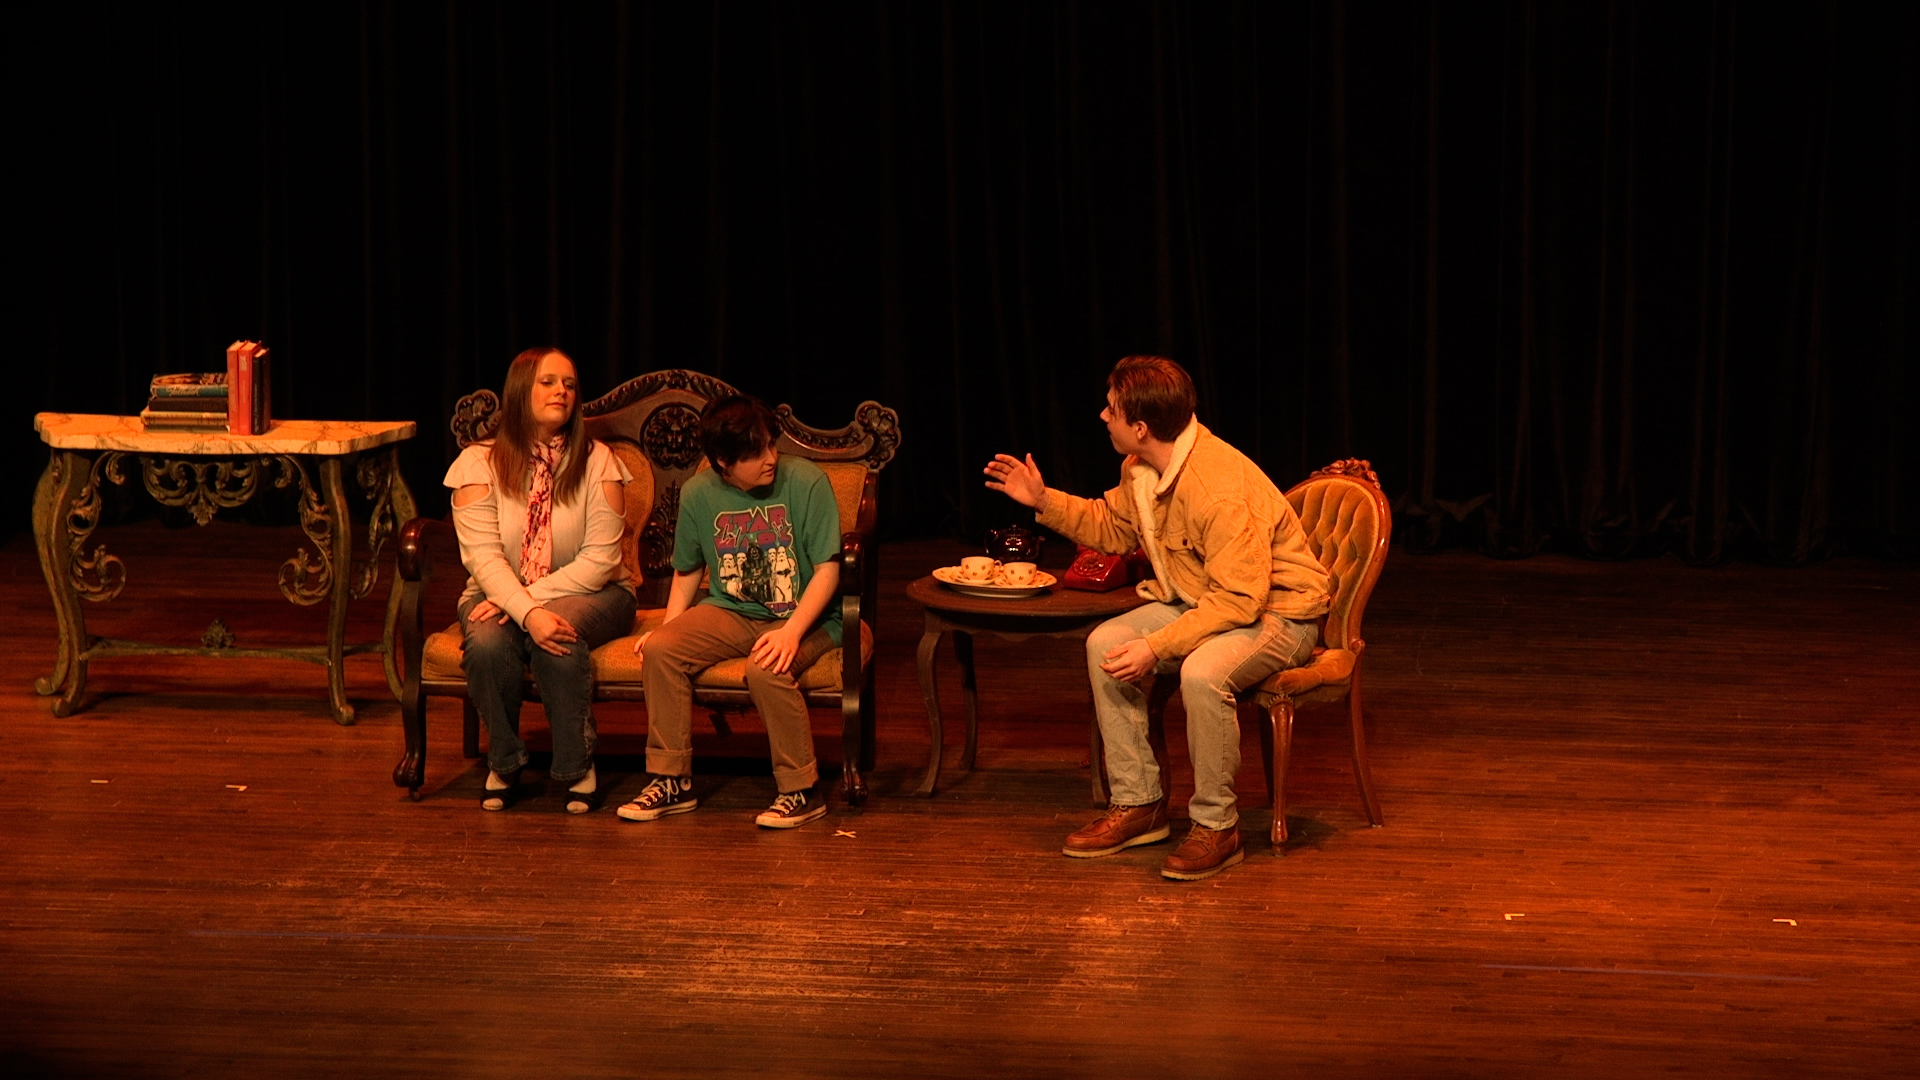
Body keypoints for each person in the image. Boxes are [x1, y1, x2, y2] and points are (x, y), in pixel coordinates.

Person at [984, 355, 1331, 880]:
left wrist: (1158, 646)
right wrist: (1043, 500)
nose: (1104, 416)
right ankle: (1139, 803)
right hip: (1200, 598)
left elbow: (1241, 600)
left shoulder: (1217, 488)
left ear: (1140, 427)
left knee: (1202, 671)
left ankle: (1218, 825)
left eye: (1112, 409)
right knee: (1105, 643)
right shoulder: (1142, 468)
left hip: (1280, 613)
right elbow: (1115, 527)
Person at [617, 395, 844, 829]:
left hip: (807, 615)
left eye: (772, 445)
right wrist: (670, 628)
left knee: (767, 666)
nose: (771, 459)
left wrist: (792, 632)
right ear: (723, 460)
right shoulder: (700, 493)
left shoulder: (806, 482)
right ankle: (672, 780)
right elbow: (688, 570)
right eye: (755, 452)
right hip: (733, 611)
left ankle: (802, 789)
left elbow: (828, 572)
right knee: (662, 650)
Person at [447, 347, 637, 813]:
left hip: (596, 591)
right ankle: (506, 759)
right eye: (549, 382)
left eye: (569, 385)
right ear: (520, 391)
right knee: (489, 643)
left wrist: (529, 606)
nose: (562, 392)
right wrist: (524, 609)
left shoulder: (598, 461)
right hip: (496, 592)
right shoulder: (478, 463)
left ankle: (577, 764)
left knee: (558, 634)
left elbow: (601, 560)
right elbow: (483, 559)